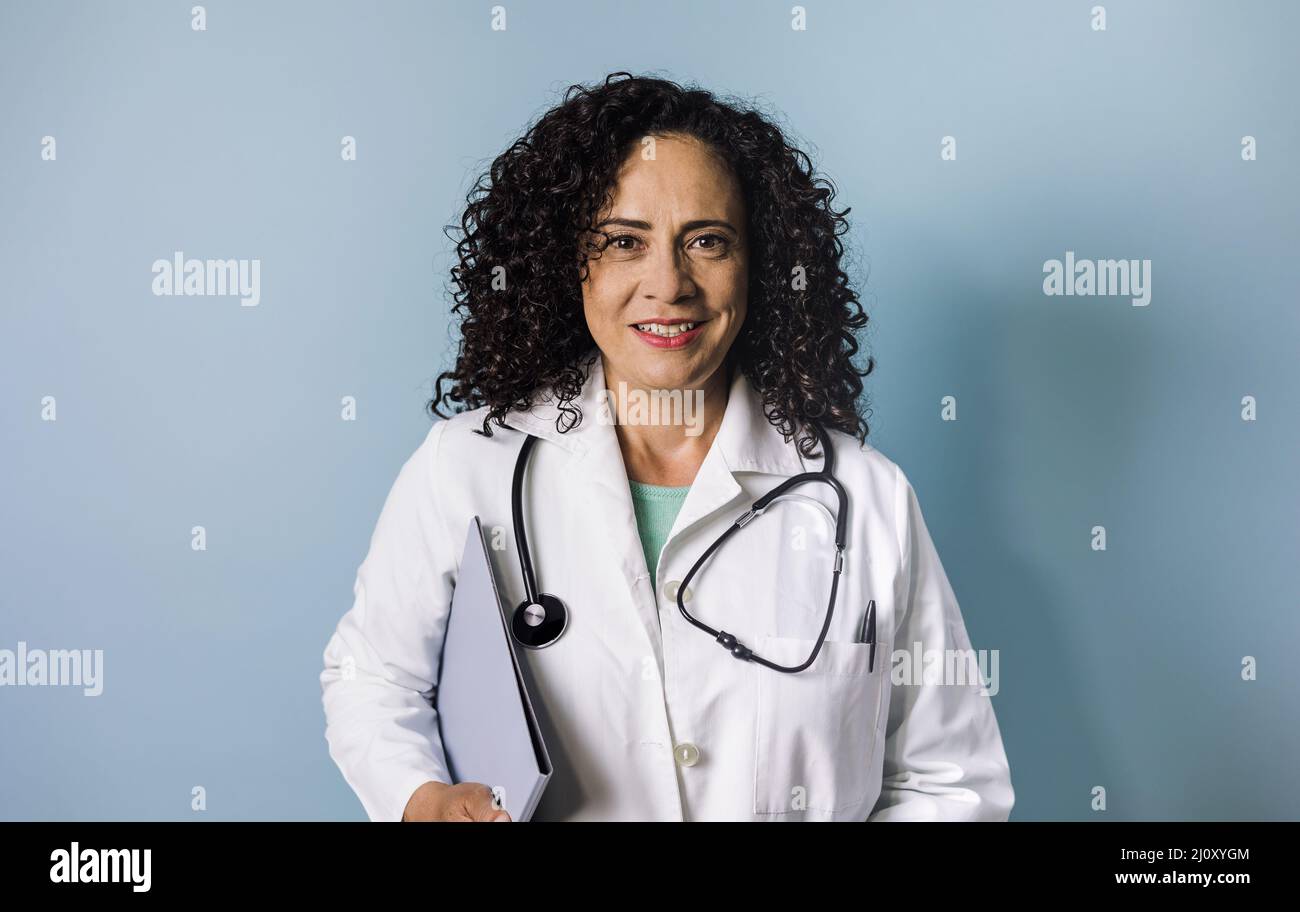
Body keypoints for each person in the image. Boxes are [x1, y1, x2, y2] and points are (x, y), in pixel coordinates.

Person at [320, 73, 1014, 822]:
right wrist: (420, 797)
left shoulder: (867, 496)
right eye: (624, 242)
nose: (669, 284)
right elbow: (371, 679)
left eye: (707, 242)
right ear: (564, 263)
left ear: (758, 265)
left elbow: (951, 782)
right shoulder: (466, 467)